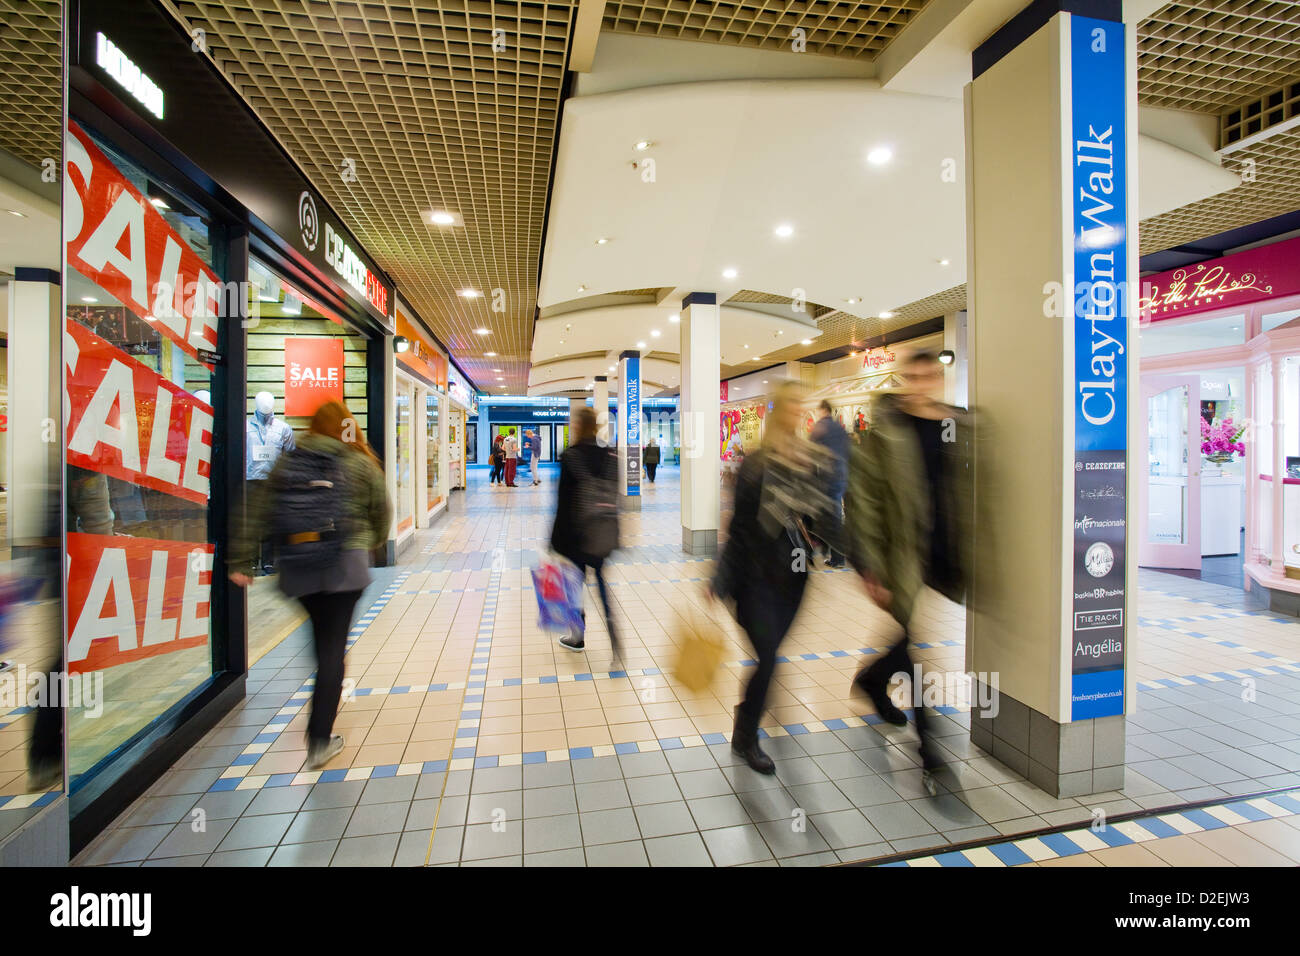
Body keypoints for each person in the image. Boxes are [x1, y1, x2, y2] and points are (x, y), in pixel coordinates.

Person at [229, 400, 392, 770]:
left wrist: (240, 559)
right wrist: (373, 541)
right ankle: (319, 740)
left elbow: (255, 509)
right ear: (348, 428)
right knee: (333, 648)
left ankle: (322, 700)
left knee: (322, 641)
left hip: (299, 566)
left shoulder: (290, 461)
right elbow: (381, 511)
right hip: (345, 566)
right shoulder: (360, 462)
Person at [844, 349, 971, 789]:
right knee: (916, 648)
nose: (921, 383)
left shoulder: (957, 425)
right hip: (903, 554)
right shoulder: (885, 431)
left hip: (945, 550)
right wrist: (869, 565)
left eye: (929, 374)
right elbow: (862, 501)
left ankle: (871, 679)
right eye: (912, 376)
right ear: (903, 379)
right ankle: (929, 746)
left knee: (903, 641)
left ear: (939, 376)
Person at [711, 382, 835, 774]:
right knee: (767, 657)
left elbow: (823, 520)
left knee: (771, 658)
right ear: (778, 412)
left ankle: (748, 716)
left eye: (802, 406)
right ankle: (747, 734)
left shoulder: (809, 460)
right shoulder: (756, 463)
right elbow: (740, 528)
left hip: (794, 577)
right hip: (754, 579)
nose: (798, 413)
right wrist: (720, 577)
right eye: (792, 406)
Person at [550, 406, 620, 657]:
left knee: (575, 587)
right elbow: (614, 498)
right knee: (601, 584)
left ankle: (577, 636)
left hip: (576, 536)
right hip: (602, 533)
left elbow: (563, 503)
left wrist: (555, 541)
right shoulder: (611, 455)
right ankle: (615, 636)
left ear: (578, 426)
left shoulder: (571, 456)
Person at [808, 400, 850, 567]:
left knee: (828, 518)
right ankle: (828, 552)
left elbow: (810, 453)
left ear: (822, 410)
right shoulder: (841, 428)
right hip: (841, 477)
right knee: (834, 516)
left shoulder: (820, 427)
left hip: (825, 479)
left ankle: (837, 558)